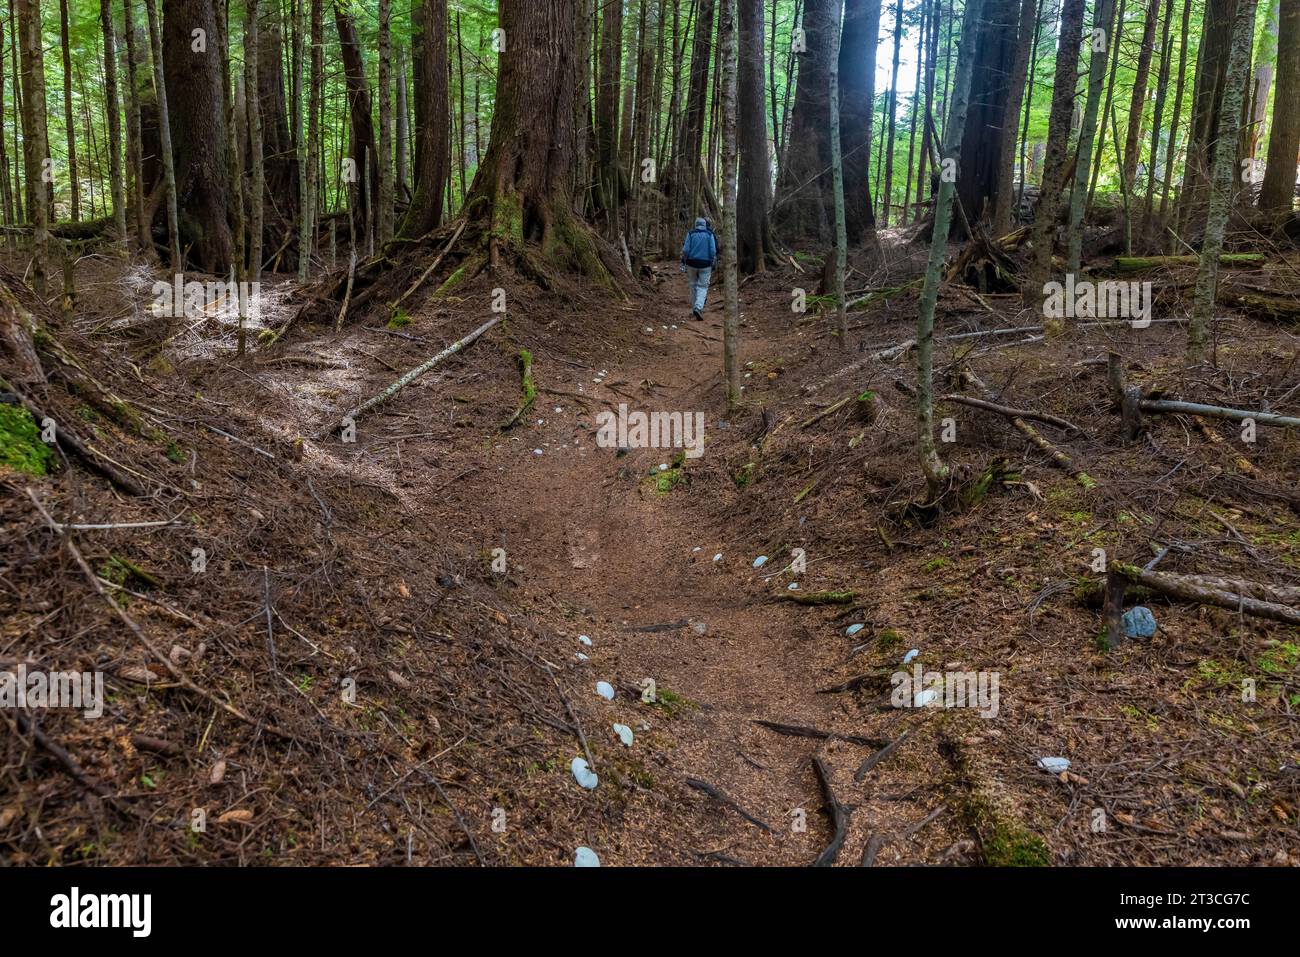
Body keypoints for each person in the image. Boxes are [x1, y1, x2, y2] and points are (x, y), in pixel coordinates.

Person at [679, 217, 717, 321]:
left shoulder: (690, 234)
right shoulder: (709, 235)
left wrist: (684, 261)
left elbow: (686, 250)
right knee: (703, 287)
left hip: (691, 263)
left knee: (693, 285)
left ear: (696, 224)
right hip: (705, 264)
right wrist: (712, 261)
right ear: (705, 225)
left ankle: (694, 309)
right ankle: (698, 307)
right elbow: (713, 250)